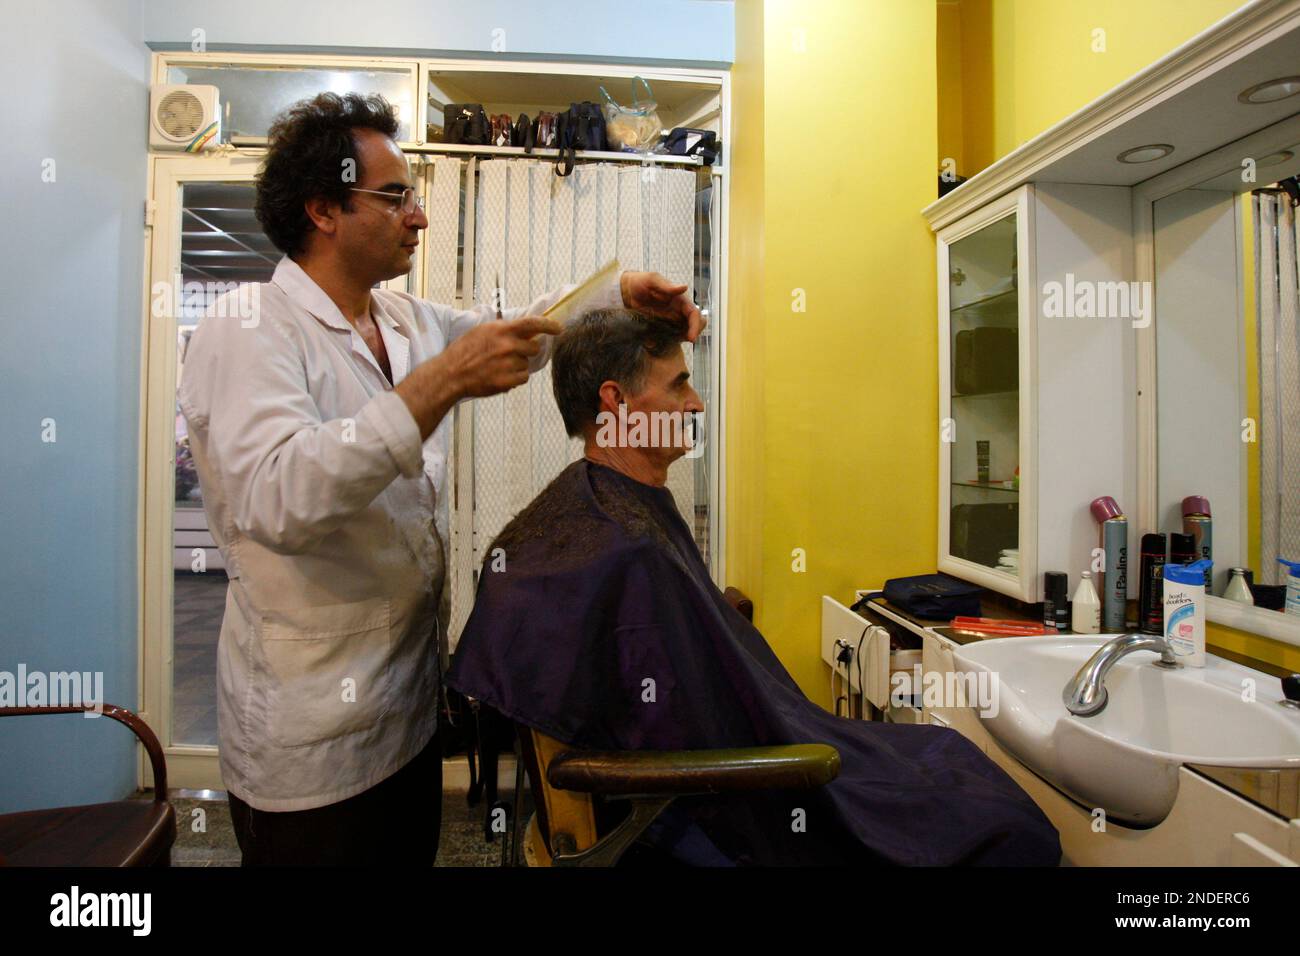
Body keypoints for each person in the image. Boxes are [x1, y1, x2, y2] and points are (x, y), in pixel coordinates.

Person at [178, 93, 702, 866]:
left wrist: (615, 297)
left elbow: (520, 332)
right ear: (324, 210)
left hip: (407, 717)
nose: (418, 217)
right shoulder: (247, 326)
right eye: (396, 198)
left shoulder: (399, 321)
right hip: (312, 744)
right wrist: (439, 385)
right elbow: (277, 499)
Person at [448, 308, 1061, 866]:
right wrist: (802, 753)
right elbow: (679, 724)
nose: (696, 404)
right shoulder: (623, 543)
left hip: (736, 758)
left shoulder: (616, 511)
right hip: (717, 804)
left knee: (945, 758)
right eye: (678, 385)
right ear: (617, 403)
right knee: (1000, 827)